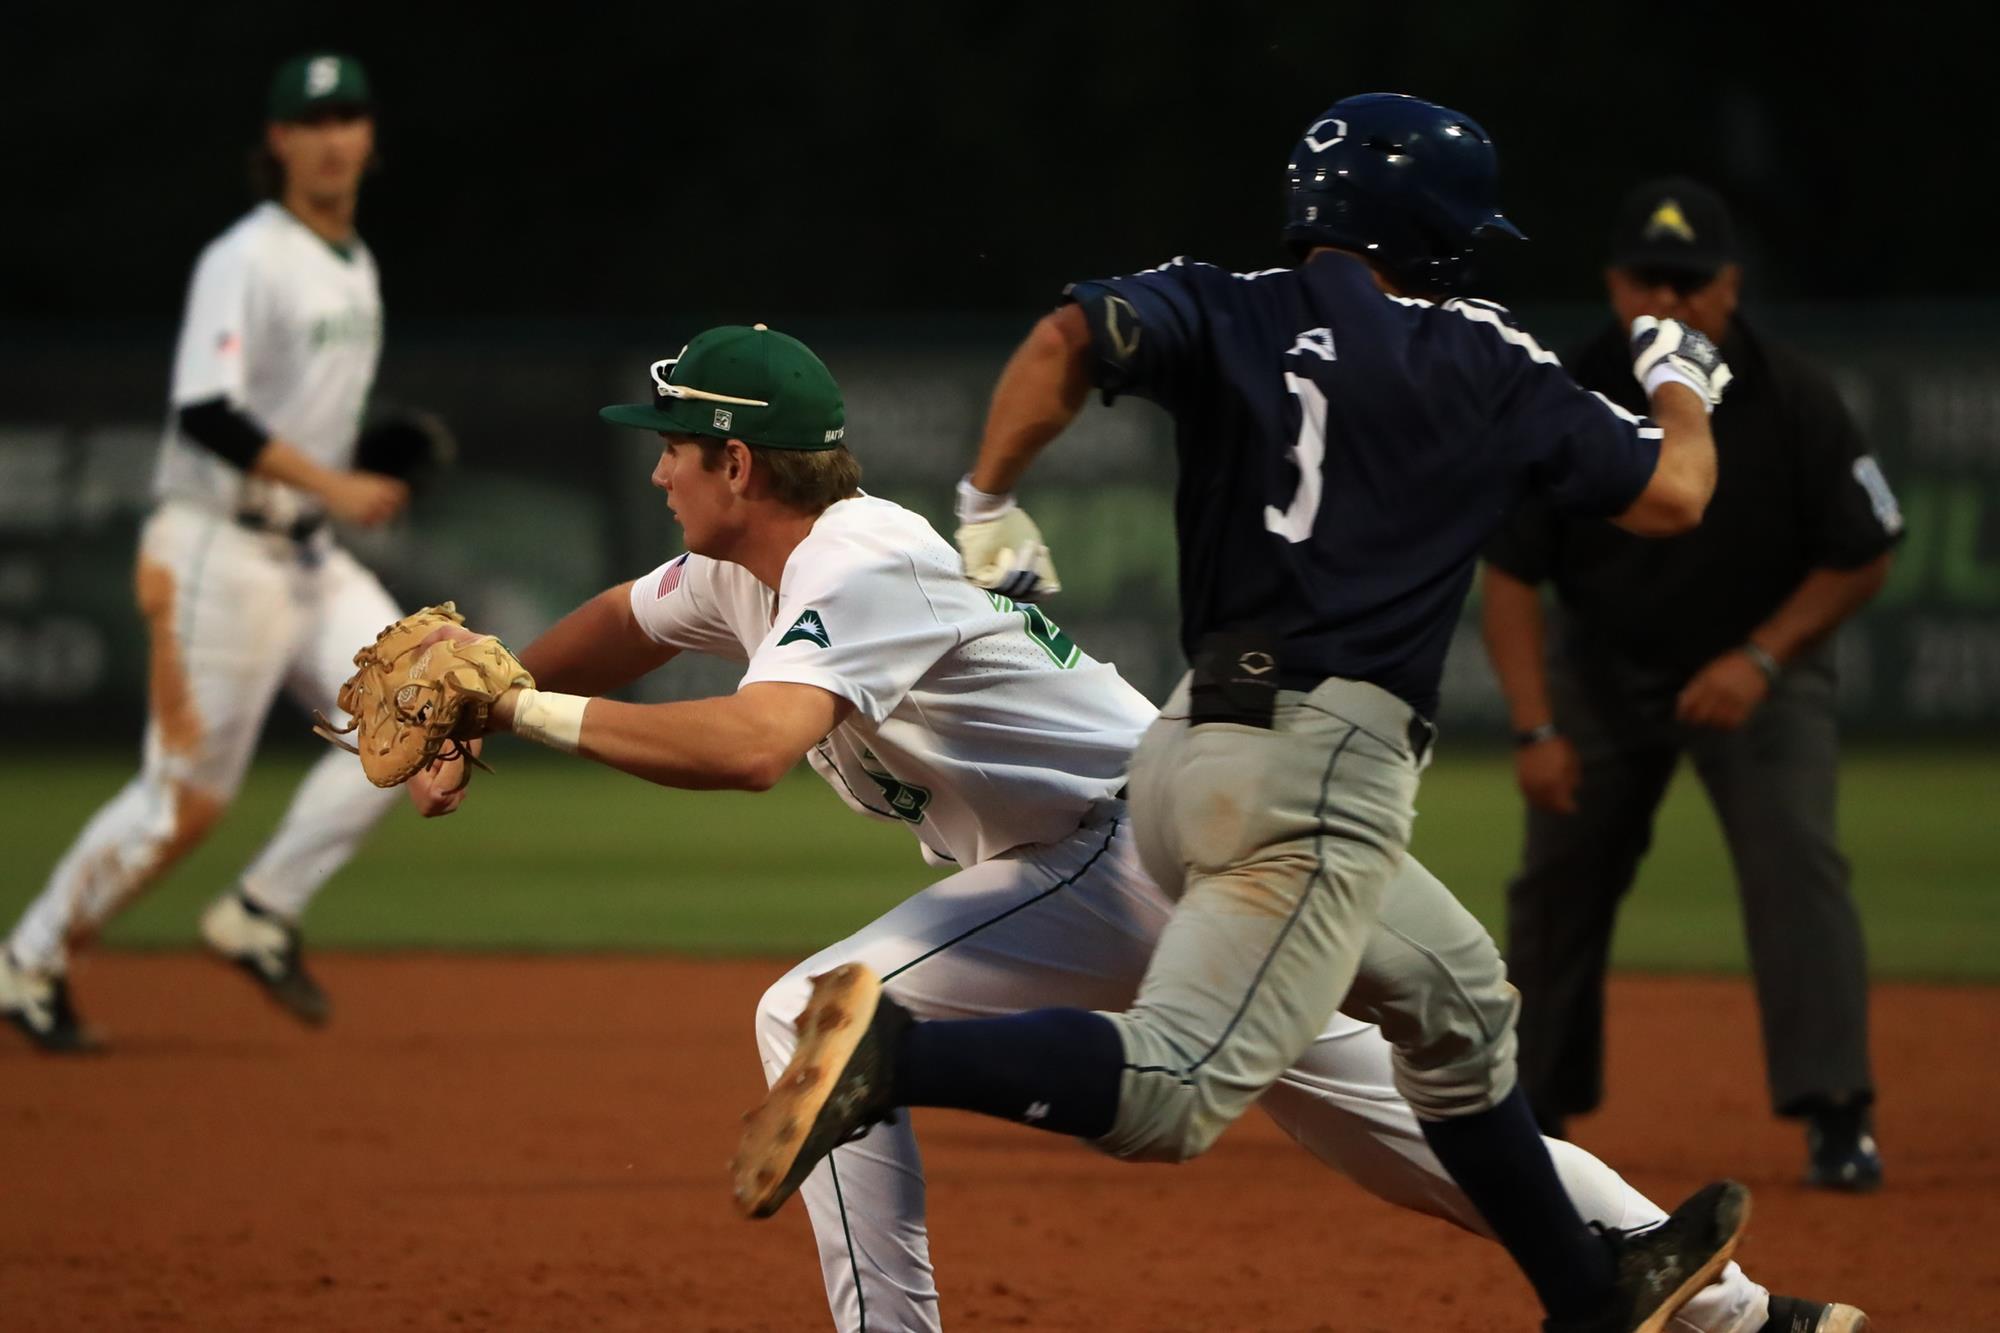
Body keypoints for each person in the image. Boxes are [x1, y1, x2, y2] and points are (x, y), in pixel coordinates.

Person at [411, 323, 1861, 1333]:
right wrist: (498, 689)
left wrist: (522, 717)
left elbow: (747, 750)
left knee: (815, 1014)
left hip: (1117, 846)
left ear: (739, 466)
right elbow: (622, 623)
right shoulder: (740, 569)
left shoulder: (855, 557)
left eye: (673, 447)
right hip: (1145, 852)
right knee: (1421, 1125)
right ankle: (1736, 1315)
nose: (656, 470)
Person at [735, 93, 1751, 1333]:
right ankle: (893, 1058)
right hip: (1323, 771)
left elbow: (1064, 338)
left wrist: (986, 498)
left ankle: (1583, 1295)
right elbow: (1674, 494)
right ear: (1435, 230)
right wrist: (1676, 376)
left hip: (1181, 751)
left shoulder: (1224, 299)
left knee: (1457, 1006)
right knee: (1173, 1088)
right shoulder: (1483, 354)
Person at [1482, 178, 1899, 1192]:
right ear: (1611, 283)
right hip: (1604, 669)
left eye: (1689, 279)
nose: (1666, 300)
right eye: (1645, 278)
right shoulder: (1566, 385)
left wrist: (1759, 658)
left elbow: (1864, 547)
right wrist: (1535, 726)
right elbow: (1507, 573)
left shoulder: (1791, 393)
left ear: (1730, 286)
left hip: (1757, 668)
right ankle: (1536, 1109)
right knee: (1556, 880)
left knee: (1795, 864)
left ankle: (1834, 1112)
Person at [0, 53, 411, 1051]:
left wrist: (359, 468)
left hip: (307, 558)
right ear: (278, 141)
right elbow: (206, 411)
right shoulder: (248, 256)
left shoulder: (354, 263)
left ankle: (262, 907)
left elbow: (303, 424)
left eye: (348, 116)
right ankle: (28, 962)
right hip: (213, 553)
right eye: (311, 119)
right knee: (180, 803)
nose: (331, 136)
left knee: (427, 700)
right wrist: (337, 483)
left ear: (367, 137)